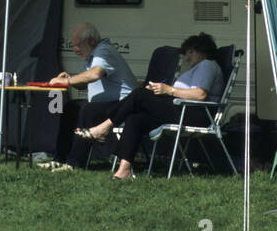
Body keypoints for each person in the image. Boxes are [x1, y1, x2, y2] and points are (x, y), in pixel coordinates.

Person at [78, 32, 224, 181]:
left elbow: (200, 95)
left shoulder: (207, 64)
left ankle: (104, 127)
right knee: (135, 120)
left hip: (194, 115)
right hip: (182, 111)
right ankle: (124, 170)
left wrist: (169, 90)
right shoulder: (199, 68)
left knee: (139, 94)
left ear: (201, 49)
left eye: (190, 52)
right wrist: (161, 92)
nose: (187, 57)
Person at [45, 24, 137, 170]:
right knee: (71, 107)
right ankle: (60, 158)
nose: (75, 50)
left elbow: (95, 74)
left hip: (125, 106)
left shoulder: (103, 51)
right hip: (109, 104)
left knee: (87, 109)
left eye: (78, 45)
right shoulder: (92, 55)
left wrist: (67, 81)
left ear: (92, 41)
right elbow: (84, 83)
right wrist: (71, 79)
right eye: (73, 46)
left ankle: (74, 163)